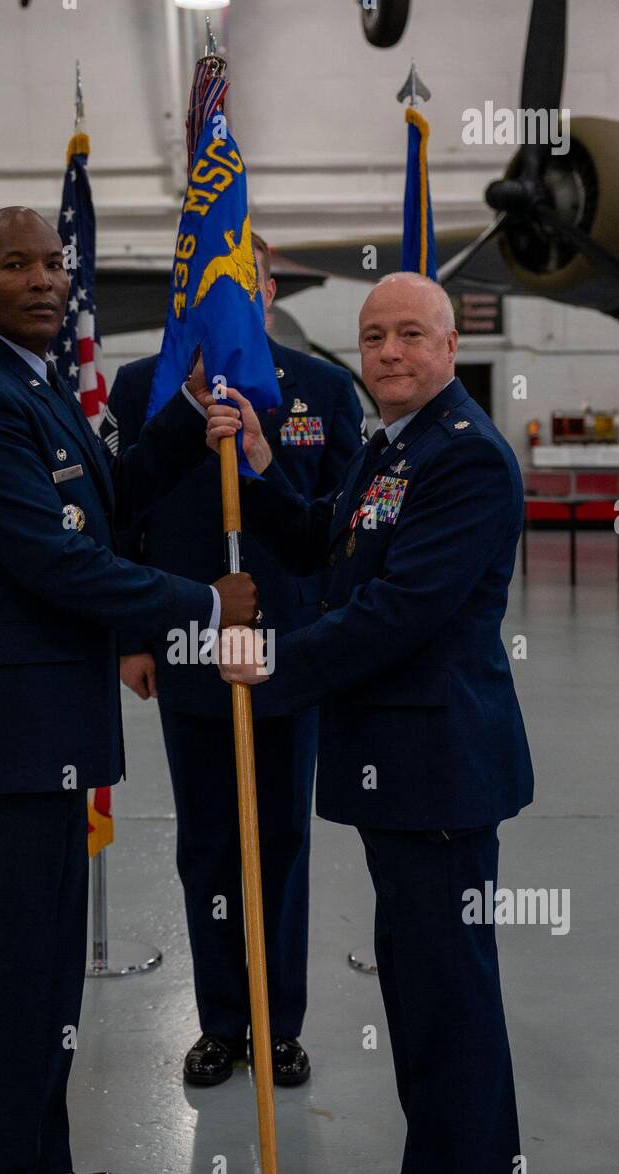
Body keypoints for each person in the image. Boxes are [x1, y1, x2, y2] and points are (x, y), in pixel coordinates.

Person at [0, 206, 258, 1174]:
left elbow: (93, 514)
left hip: (51, 724)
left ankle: (37, 1163)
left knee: (49, 967)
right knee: (11, 967)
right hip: (3, 730)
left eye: (55, 263)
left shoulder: (39, 383)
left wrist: (187, 423)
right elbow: (55, 566)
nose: (47, 281)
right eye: (17, 265)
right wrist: (202, 599)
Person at [210, 272, 534, 1174]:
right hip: (402, 759)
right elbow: (330, 549)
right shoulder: (398, 446)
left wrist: (273, 664)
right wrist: (264, 465)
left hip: (439, 757)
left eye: (409, 335)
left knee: (448, 983)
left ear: (447, 343)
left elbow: (400, 611)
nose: (388, 353)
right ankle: (437, 1165)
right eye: (373, 337)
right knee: (419, 974)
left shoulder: (467, 460)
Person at [102, 233, 363, 1088]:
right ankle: (220, 1019)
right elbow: (121, 523)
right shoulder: (144, 389)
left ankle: (276, 1022)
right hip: (186, 647)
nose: (219, 304)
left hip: (290, 654)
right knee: (209, 843)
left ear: (268, 288)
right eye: (202, 288)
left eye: (236, 285)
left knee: (281, 840)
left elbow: (343, 529)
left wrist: (328, 639)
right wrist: (133, 638)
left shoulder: (322, 388)